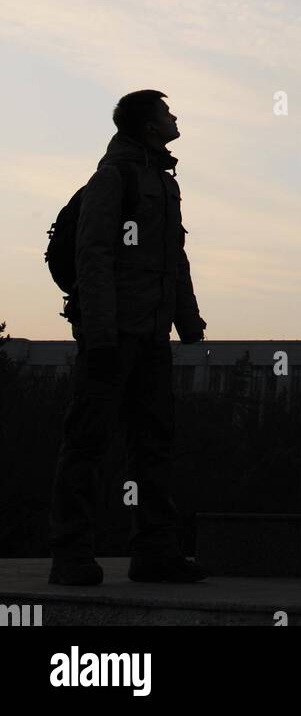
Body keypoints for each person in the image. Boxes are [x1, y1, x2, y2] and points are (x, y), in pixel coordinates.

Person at [48, 90, 208, 585]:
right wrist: (99, 336)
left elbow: (173, 258)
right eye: (167, 111)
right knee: (87, 444)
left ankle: (155, 551)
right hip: (112, 336)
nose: (176, 116)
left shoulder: (161, 181)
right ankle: (71, 555)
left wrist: (189, 321)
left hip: (151, 336)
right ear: (147, 125)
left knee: (154, 445)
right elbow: (92, 256)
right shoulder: (112, 177)